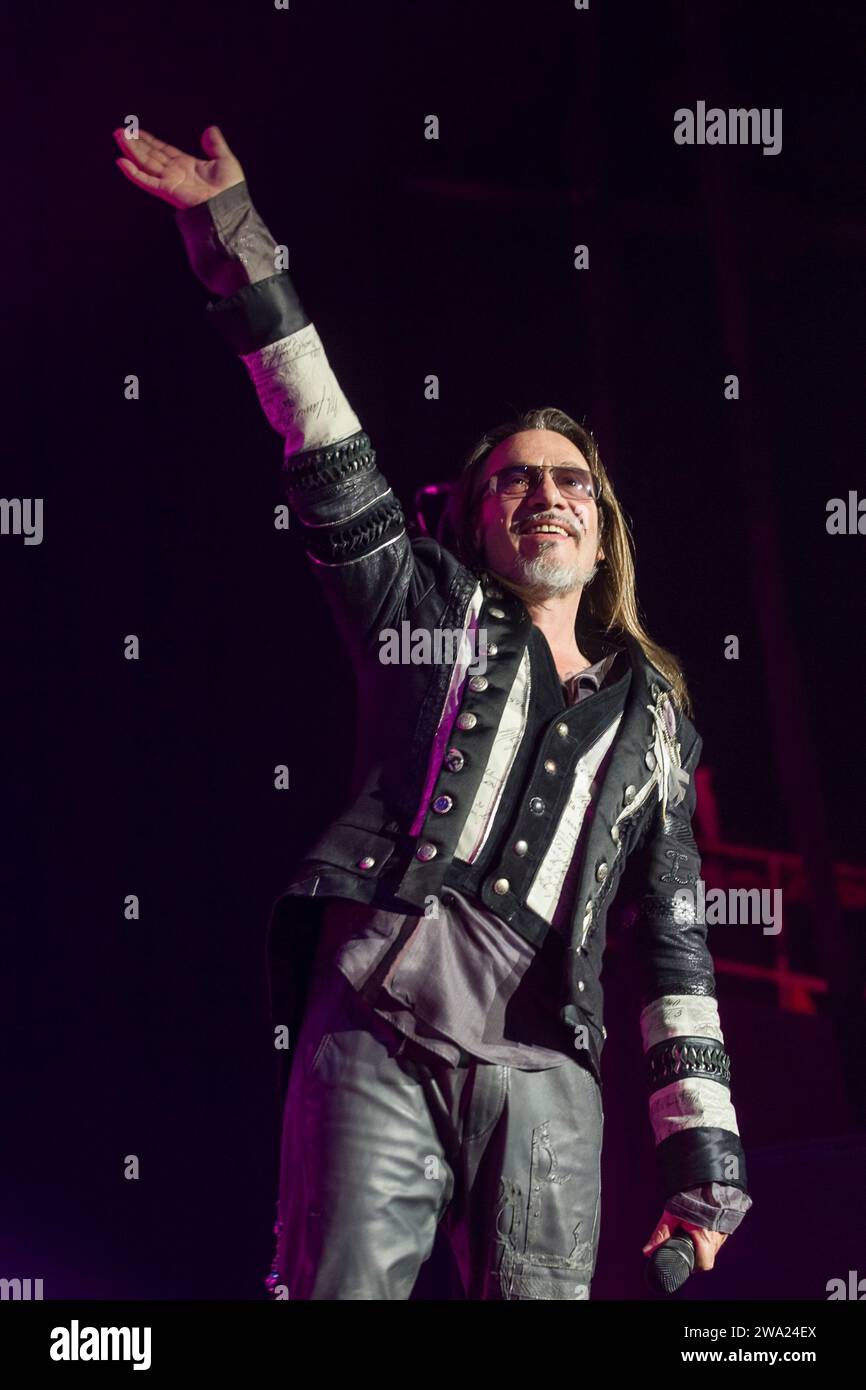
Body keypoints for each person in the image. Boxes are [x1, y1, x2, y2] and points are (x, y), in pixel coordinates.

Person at [114, 123, 753, 1300]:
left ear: (602, 528)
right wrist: (235, 242)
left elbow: (672, 944)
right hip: (378, 1017)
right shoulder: (425, 606)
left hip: (547, 1065)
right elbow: (329, 447)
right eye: (515, 476)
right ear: (475, 516)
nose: (546, 494)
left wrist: (702, 1167)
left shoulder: (654, 720)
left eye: (571, 481)